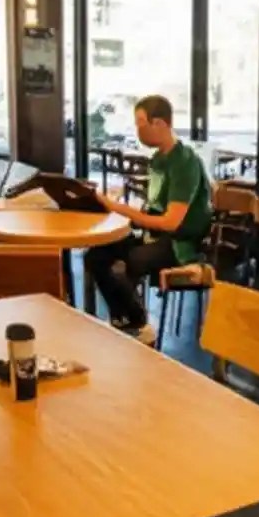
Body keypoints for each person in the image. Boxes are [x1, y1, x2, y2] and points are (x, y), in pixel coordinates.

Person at [89, 95, 213, 344]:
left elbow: (170, 223)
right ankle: (125, 318)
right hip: (154, 236)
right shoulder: (158, 159)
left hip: (181, 244)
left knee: (132, 261)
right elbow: (153, 207)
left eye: (141, 123)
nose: (138, 130)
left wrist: (120, 209)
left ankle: (136, 322)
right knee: (95, 255)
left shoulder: (185, 162)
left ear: (161, 124)